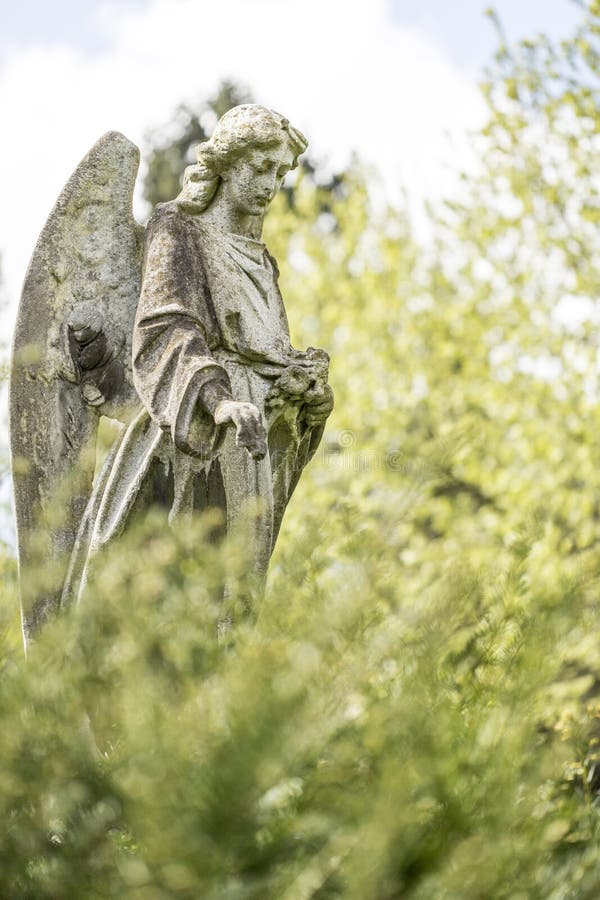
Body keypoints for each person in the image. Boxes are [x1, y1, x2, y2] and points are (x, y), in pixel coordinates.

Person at [62, 105, 333, 605]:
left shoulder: (262, 261)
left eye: (279, 172)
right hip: (188, 429)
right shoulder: (178, 227)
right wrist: (218, 399)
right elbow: (167, 327)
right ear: (227, 162)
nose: (270, 184)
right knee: (163, 590)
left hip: (245, 448)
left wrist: (304, 398)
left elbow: (268, 359)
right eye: (260, 168)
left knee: (227, 602)